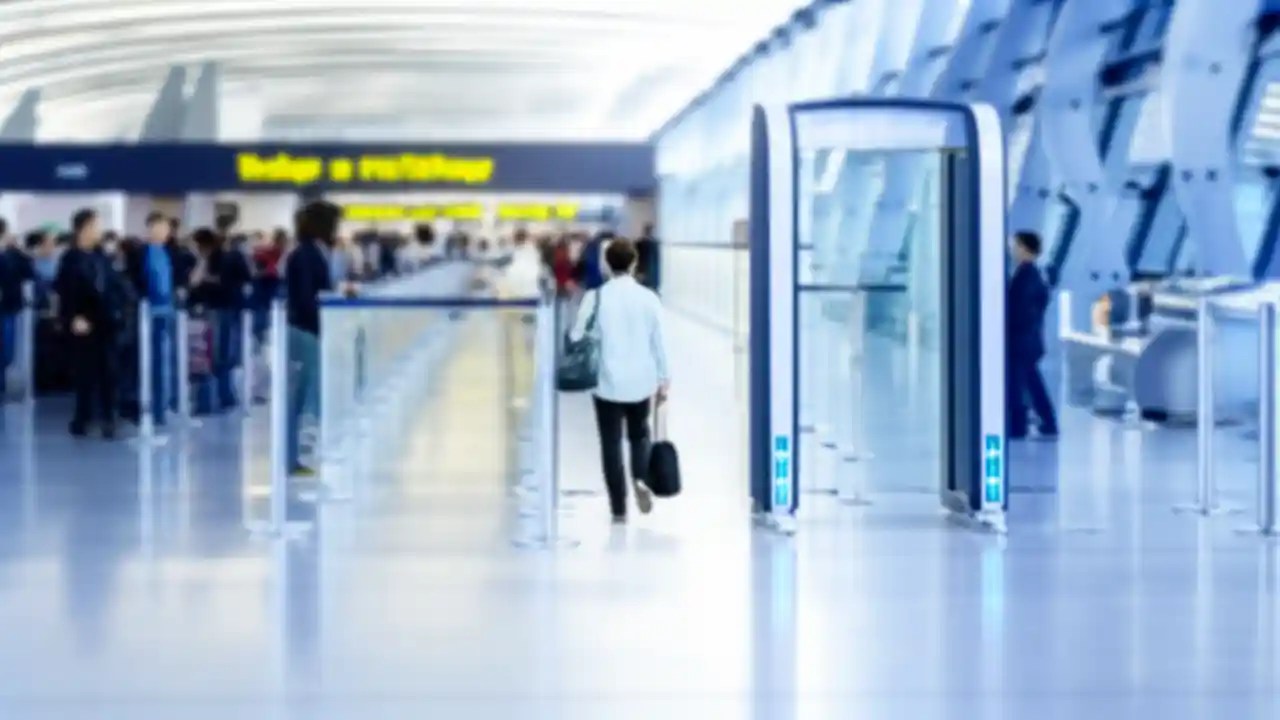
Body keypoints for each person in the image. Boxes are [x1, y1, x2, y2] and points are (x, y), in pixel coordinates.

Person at [570, 239, 671, 523]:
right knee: (640, 434)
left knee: (610, 443)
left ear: (607, 265)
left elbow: (577, 335)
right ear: (634, 263)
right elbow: (659, 342)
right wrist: (665, 378)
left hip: (606, 381)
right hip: (641, 381)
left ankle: (618, 508)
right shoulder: (649, 297)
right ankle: (639, 476)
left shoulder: (596, 297)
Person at [56, 208, 128, 438]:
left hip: (104, 321)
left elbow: (114, 284)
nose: (99, 230)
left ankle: (109, 417)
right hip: (83, 322)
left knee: (109, 371)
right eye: (95, 226)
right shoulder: (71, 259)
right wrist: (73, 317)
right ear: (83, 228)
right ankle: (82, 419)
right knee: (85, 374)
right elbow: (65, 291)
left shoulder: (101, 258)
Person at [285, 200, 339, 476]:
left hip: (308, 329)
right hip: (305, 331)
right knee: (301, 395)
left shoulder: (310, 253)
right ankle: (294, 458)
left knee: (301, 393)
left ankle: (295, 457)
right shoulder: (306, 255)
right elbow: (307, 298)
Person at [121, 212, 178, 426]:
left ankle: (161, 407)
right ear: (151, 227)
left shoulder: (165, 253)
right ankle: (143, 407)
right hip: (147, 316)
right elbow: (135, 282)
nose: (166, 232)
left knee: (162, 362)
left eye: (167, 229)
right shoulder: (141, 253)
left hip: (164, 313)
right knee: (146, 362)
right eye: (162, 227)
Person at [1007, 230, 1057, 440]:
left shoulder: (1026, 277)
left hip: (1022, 341)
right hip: (1029, 340)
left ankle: (1019, 427)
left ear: (1025, 248)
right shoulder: (1031, 274)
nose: (1012, 250)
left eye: (1015, 245)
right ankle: (1046, 421)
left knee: (1019, 385)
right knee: (1031, 383)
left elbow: (1021, 311)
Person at [0, 218, 35, 400]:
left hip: (8, 306)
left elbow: (30, 272)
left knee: (7, 351)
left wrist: (20, 251)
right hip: (7, 306)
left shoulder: (13, 255)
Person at [635, 223, 660, 293]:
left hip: (651, 270)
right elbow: (637, 258)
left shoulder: (655, 243)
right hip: (644, 269)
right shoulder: (640, 243)